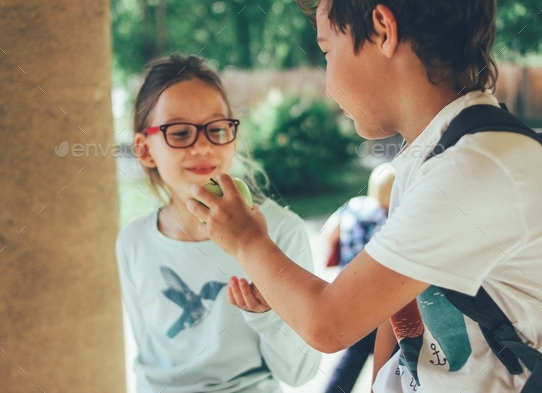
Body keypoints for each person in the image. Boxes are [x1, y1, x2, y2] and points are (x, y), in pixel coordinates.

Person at [185, 1, 542, 392]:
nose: (326, 82)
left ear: (383, 29)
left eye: (327, 50)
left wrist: (246, 239)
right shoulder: (432, 154)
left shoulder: (475, 168)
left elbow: (330, 324)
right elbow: (399, 308)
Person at [115, 54, 321, 393]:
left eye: (216, 129)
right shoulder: (132, 243)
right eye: (179, 133)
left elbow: (299, 372)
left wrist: (267, 313)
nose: (202, 146)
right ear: (144, 149)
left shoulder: (281, 231)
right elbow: (149, 364)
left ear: (233, 136)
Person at [323, 163, 394, 393]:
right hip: (381, 301)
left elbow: (328, 235)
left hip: (348, 292)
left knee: (354, 356)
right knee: (389, 362)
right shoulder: (393, 218)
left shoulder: (352, 206)